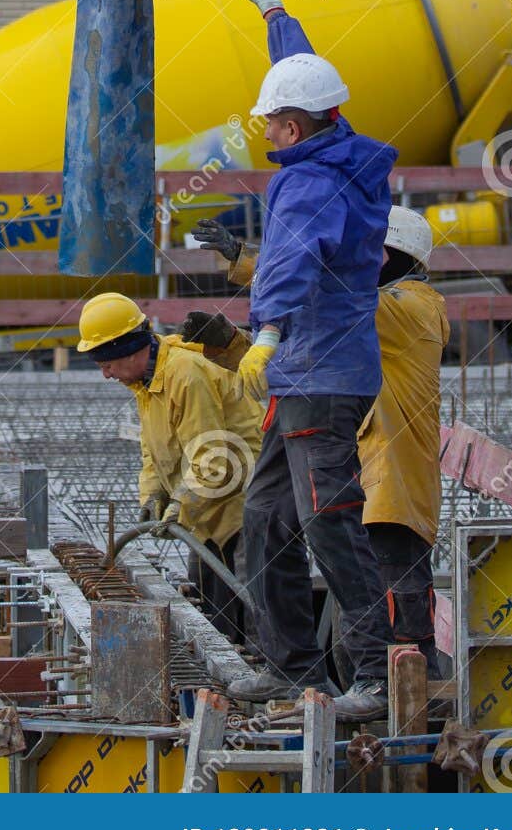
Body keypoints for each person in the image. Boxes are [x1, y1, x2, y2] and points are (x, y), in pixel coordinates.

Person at [197, 0, 397, 719]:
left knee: (327, 521)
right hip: (303, 378)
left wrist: (266, 334)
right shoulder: (335, 143)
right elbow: (305, 71)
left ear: (291, 126)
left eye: (271, 121)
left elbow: (289, 258)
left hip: (318, 373)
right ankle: (295, 669)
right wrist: (270, 7)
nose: (266, 131)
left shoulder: (311, 182)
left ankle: (374, 675)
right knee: (267, 520)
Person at [188, 204, 449, 677]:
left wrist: (253, 260)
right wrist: (230, 344)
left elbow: (328, 301)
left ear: (385, 257)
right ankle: (354, 713)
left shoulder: (414, 307)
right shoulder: (365, 313)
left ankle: (414, 718)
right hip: (356, 485)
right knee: (358, 629)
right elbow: (297, 359)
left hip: (390, 496)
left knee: (401, 629)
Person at [76, 291, 263, 643]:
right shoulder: (146, 382)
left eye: (108, 364)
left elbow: (214, 460)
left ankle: (274, 681)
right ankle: (229, 683)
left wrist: (180, 504)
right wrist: (154, 495)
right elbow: (154, 450)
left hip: (243, 504)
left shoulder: (185, 374)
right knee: (213, 611)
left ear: (129, 350)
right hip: (207, 505)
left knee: (255, 602)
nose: (106, 374)